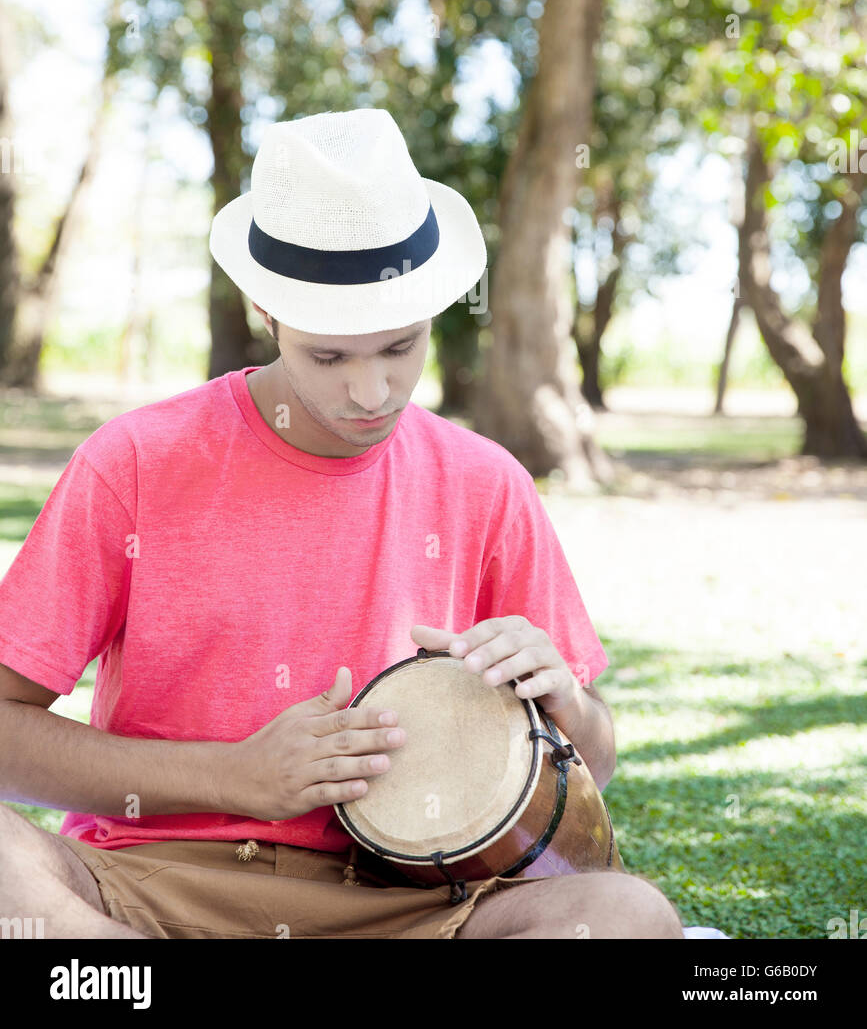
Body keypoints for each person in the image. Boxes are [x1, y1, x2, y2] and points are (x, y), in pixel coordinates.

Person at [0, 108, 683, 939]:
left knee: (625, 917)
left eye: (400, 347)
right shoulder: (135, 461)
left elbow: (596, 764)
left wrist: (566, 702)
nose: (372, 393)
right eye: (330, 357)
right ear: (265, 309)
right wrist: (235, 778)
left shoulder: (486, 482)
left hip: (405, 908)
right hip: (142, 889)